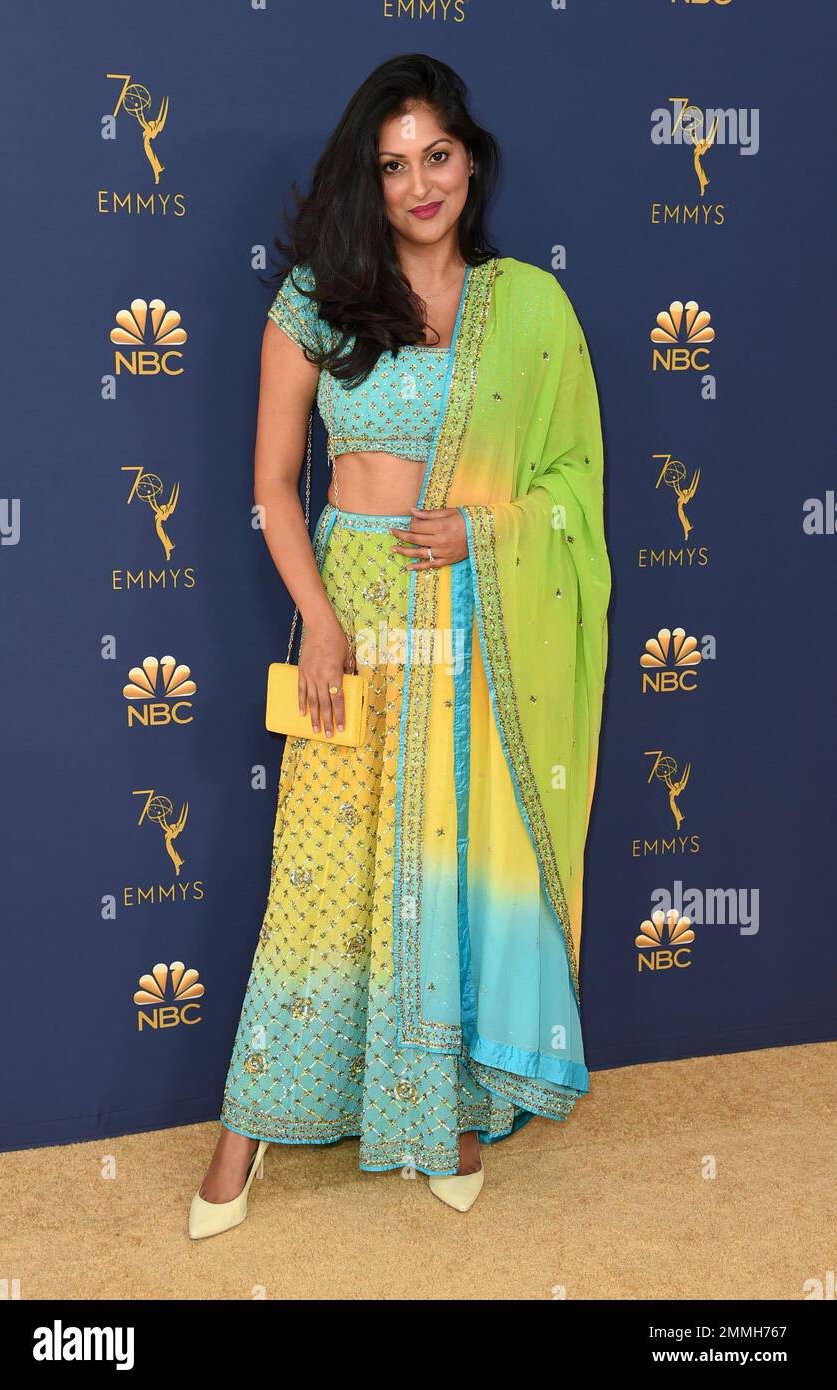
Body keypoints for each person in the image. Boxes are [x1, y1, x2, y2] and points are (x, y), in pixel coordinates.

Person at [188, 52, 611, 1238]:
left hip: (470, 623)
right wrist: (320, 619)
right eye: (392, 165)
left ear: (468, 161)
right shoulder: (316, 302)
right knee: (318, 878)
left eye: (435, 156)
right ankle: (247, 1132)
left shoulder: (522, 309)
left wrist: (484, 533)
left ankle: (447, 1113)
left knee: (445, 870)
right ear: (367, 183)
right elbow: (274, 486)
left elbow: (571, 483)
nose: (418, 184)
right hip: (356, 613)